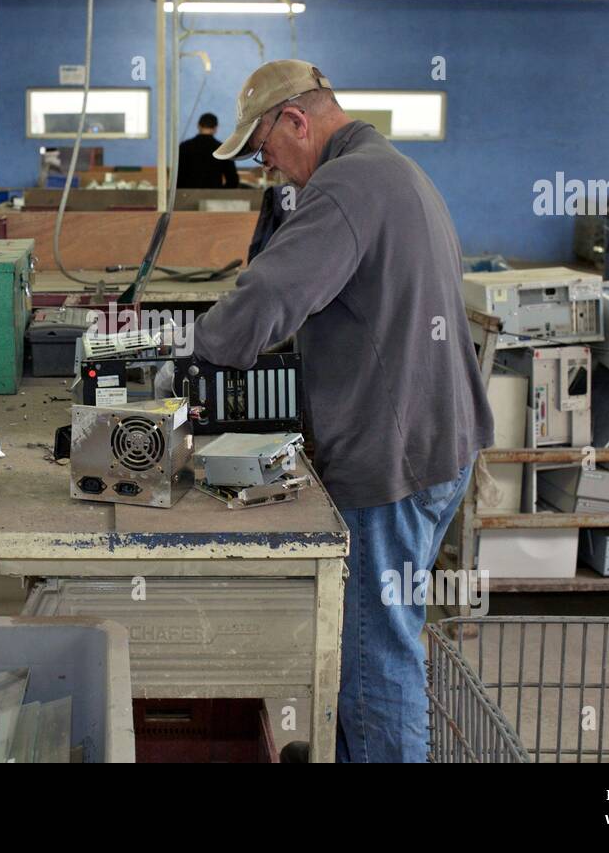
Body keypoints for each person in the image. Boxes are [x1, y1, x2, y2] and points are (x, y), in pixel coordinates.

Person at [189, 59, 494, 763]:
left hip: (394, 456)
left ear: (297, 119)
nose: (273, 170)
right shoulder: (394, 169)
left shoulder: (346, 185)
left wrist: (203, 348)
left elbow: (270, 295)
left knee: (375, 645)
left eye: (267, 151)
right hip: (439, 439)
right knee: (371, 628)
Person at [177, 113, 241, 189]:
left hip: (186, 196)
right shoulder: (223, 149)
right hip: (214, 197)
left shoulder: (184, 147)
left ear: (198, 126)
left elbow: (177, 176)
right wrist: (220, 193)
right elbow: (233, 180)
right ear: (216, 128)